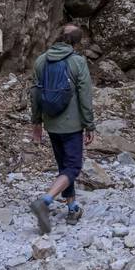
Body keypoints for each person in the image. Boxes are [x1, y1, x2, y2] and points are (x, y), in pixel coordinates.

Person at [28, 24, 96, 233]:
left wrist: (36, 122)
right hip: (72, 125)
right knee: (73, 167)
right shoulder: (77, 62)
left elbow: (35, 94)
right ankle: (46, 201)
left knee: (64, 168)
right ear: (76, 43)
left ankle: (72, 208)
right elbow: (85, 96)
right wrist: (89, 124)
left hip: (51, 123)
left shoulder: (41, 60)